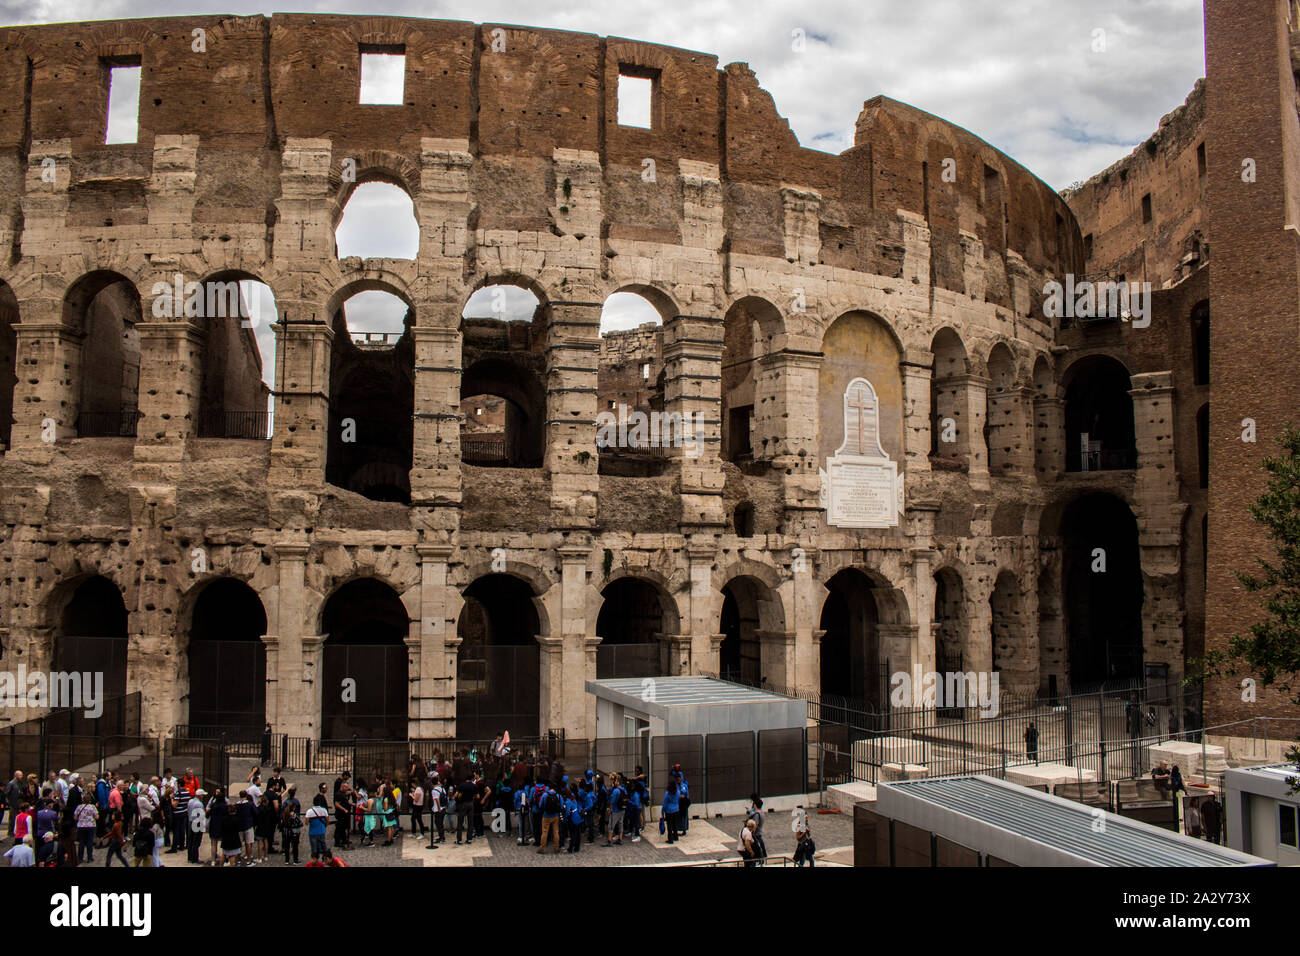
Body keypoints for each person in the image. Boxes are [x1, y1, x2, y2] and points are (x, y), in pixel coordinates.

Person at [281, 786, 302, 864]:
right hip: (294, 830)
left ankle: (287, 859)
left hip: (287, 830)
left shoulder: (285, 802)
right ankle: (295, 860)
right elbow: (299, 821)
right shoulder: (296, 802)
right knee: (295, 845)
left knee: (286, 844)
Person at [305, 795, 330, 863]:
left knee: (314, 848)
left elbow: (306, 823)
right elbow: (327, 821)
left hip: (313, 832)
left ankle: (315, 861)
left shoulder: (309, 811)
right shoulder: (324, 810)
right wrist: (324, 826)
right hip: (321, 831)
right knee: (323, 846)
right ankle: (326, 858)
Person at [538, 784, 562, 853]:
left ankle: (542, 848)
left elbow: (540, 805)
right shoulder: (558, 795)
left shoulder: (545, 795)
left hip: (546, 815)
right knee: (556, 832)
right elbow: (561, 805)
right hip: (555, 816)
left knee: (544, 832)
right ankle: (556, 848)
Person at [73, 796, 98, 863]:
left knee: (82, 842)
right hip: (90, 826)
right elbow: (96, 817)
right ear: (90, 801)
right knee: (89, 841)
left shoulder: (79, 807)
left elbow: (75, 817)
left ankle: (80, 858)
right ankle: (90, 857)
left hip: (81, 826)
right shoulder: (92, 807)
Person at [186, 790, 206, 864]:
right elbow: (201, 816)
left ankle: (190, 857)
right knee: (196, 842)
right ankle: (195, 859)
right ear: (199, 795)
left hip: (191, 822)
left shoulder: (190, 801)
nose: (203, 796)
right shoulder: (199, 804)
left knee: (190, 841)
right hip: (197, 823)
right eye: (202, 795)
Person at [746, 794, 767, 862]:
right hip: (759, 832)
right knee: (761, 845)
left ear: (755, 805)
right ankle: (763, 857)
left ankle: (760, 860)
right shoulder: (762, 813)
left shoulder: (757, 814)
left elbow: (755, 824)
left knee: (757, 848)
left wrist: (751, 832)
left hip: (756, 833)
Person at [661, 774, 681, 844]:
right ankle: (675, 836)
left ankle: (670, 839)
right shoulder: (678, 792)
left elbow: (664, 803)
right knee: (675, 824)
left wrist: (662, 812)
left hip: (669, 811)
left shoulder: (667, 793)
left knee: (669, 825)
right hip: (676, 809)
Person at [427, 776, 445, 847]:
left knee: (438, 824)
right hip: (443, 808)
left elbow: (437, 800)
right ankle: (442, 837)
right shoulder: (442, 788)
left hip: (438, 809)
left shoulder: (434, 790)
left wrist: (438, 808)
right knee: (441, 824)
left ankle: (441, 838)